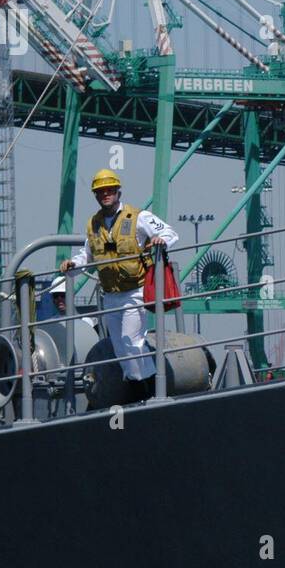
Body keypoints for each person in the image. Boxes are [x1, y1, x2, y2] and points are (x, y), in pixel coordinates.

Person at [60, 169, 178, 402]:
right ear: (96, 195)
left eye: (109, 190)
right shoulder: (93, 225)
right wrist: (73, 264)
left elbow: (170, 232)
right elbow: (87, 256)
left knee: (130, 340)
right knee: (120, 346)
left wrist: (159, 240)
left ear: (117, 192)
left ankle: (148, 390)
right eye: (101, 192)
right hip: (110, 294)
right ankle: (139, 388)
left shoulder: (138, 217)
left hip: (135, 291)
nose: (105, 194)